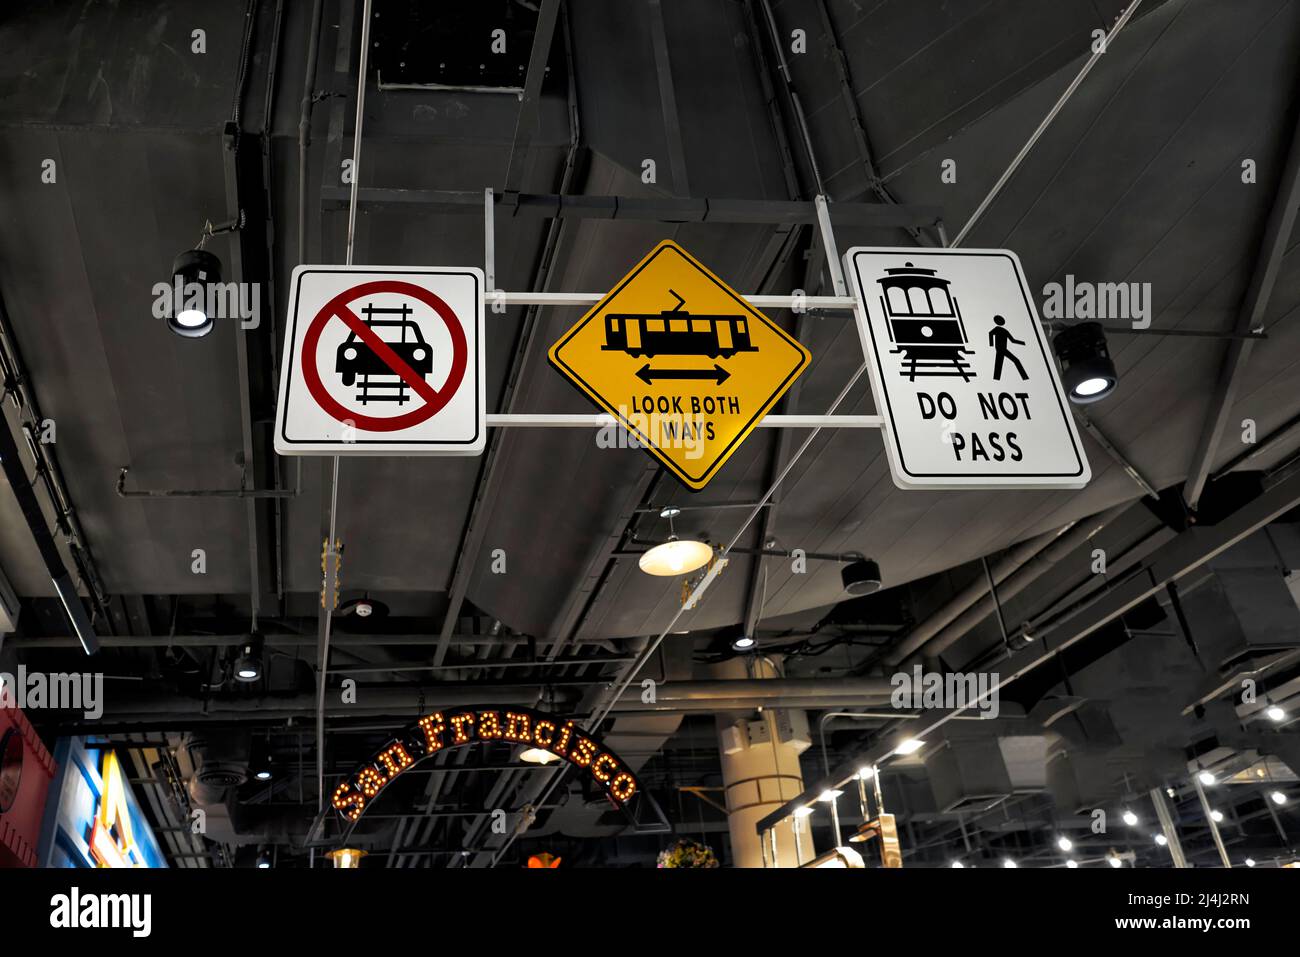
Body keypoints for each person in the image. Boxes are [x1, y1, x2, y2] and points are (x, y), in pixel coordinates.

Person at [988, 315, 1027, 381]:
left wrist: (1023, 343)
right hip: (1000, 349)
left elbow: (1013, 340)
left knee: (1000, 364)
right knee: (1001, 363)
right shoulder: (997, 328)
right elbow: (990, 333)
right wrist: (991, 345)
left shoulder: (1005, 331)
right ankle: (1025, 377)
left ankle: (996, 379)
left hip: (1003, 349)